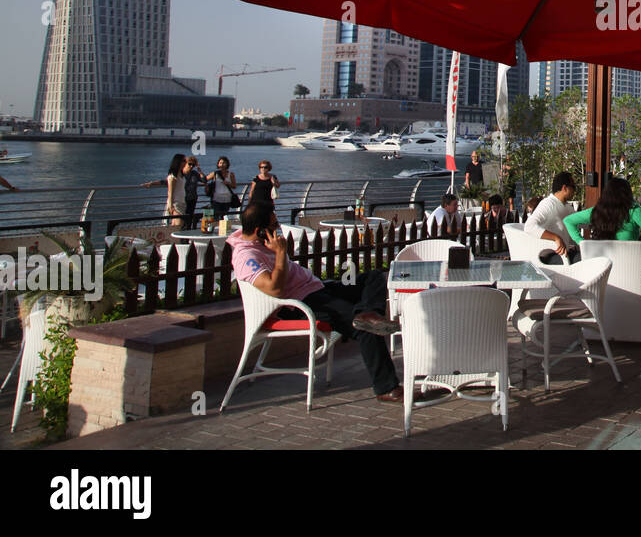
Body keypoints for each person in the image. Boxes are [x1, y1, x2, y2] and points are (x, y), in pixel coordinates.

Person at [228, 201, 429, 404]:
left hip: (318, 289)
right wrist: (280, 253)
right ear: (259, 231)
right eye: (273, 227)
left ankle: (367, 313)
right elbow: (275, 289)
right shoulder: (247, 256)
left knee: (373, 277)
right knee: (366, 329)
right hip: (302, 303)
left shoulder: (262, 245)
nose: (278, 230)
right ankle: (387, 388)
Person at [524, 171, 579, 263]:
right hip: (549, 257)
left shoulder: (567, 207)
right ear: (564, 188)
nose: (575, 190)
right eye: (573, 187)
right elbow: (529, 226)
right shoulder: (548, 204)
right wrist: (556, 238)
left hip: (564, 254)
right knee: (588, 261)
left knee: (591, 257)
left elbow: (580, 222)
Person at [140, 154, 187, 226]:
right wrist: (170, 206)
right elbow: (170, 192)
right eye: (184, 161)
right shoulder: (173, 177)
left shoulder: (181, 174)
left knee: (176, 225)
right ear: (178, 162)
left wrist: (152, 183)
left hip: (182, 203)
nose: (185, 163)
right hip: (175, 204)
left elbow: (165, 182)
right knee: (178, 224)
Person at [181, 156, 205, 228]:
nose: (191, 166)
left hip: (192, 199)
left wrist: (200, 171)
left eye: (193, 165)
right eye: (189, 164)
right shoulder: (180, 173)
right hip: (182, 199)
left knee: (189, 219)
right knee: (181, 219)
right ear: (185, 163)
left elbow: (204, 180)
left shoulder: (194, 173)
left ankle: (188, 233)